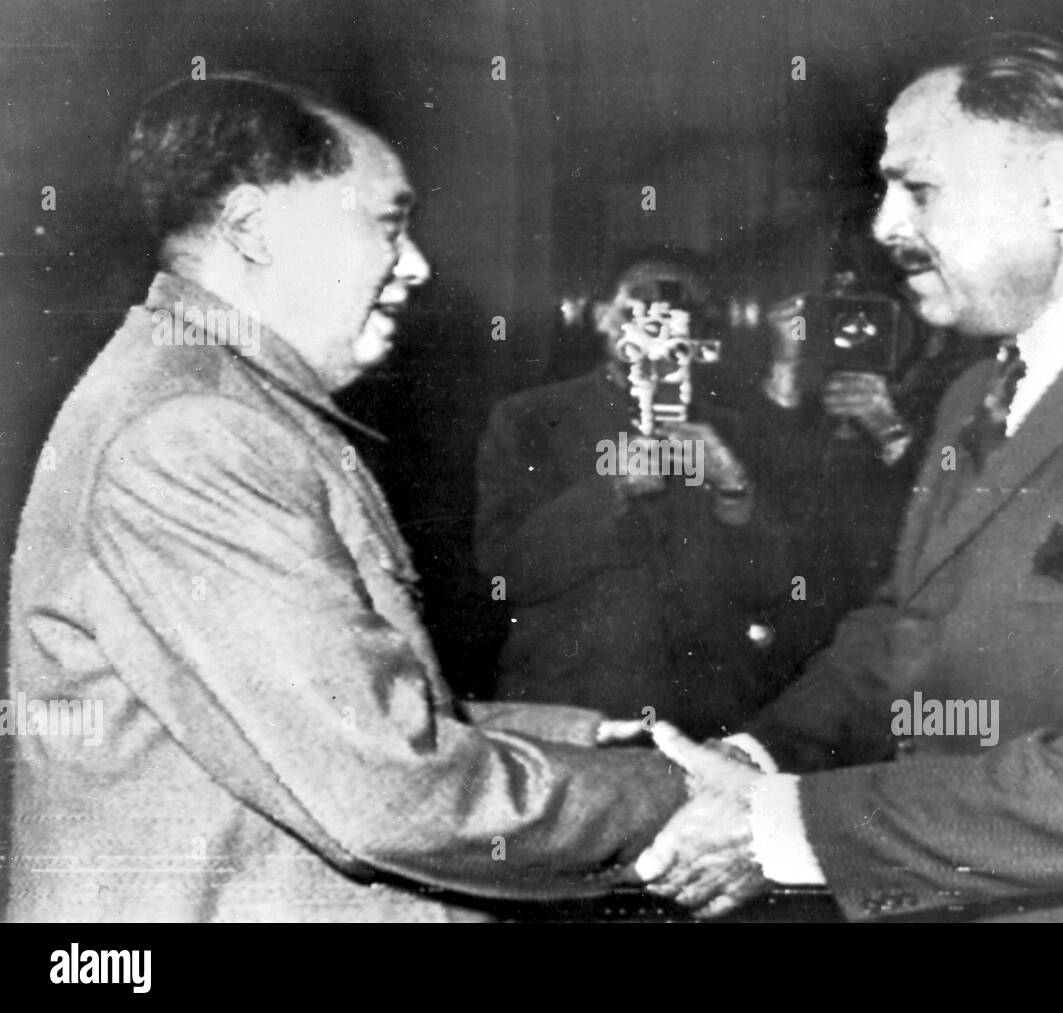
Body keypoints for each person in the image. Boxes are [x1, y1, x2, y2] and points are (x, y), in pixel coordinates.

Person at [633, 33, 1063, 922]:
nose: (884, 226)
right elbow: (905, 631)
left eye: (919, 187)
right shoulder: (977, 394)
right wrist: (758, 756)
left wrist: (786, 824)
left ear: (1055, 187)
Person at [5, 73, 686, 923]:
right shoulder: (196, 430)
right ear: (253, 229)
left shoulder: (218, 398)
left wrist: (582, 742)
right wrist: (678, 795)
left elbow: (343, 703)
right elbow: (395, 794)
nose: (418, 266)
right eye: (390, 225)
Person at [475, 254, 801, 739]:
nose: (657, 324)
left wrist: (733, 489)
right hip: (581, 713)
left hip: (710, 714)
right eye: (638, 306)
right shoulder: (532, 418)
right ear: (602, 315)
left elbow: (775, 585)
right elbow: (504, 570)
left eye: (678, 313)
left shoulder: (733, 430)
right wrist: (610, 491)